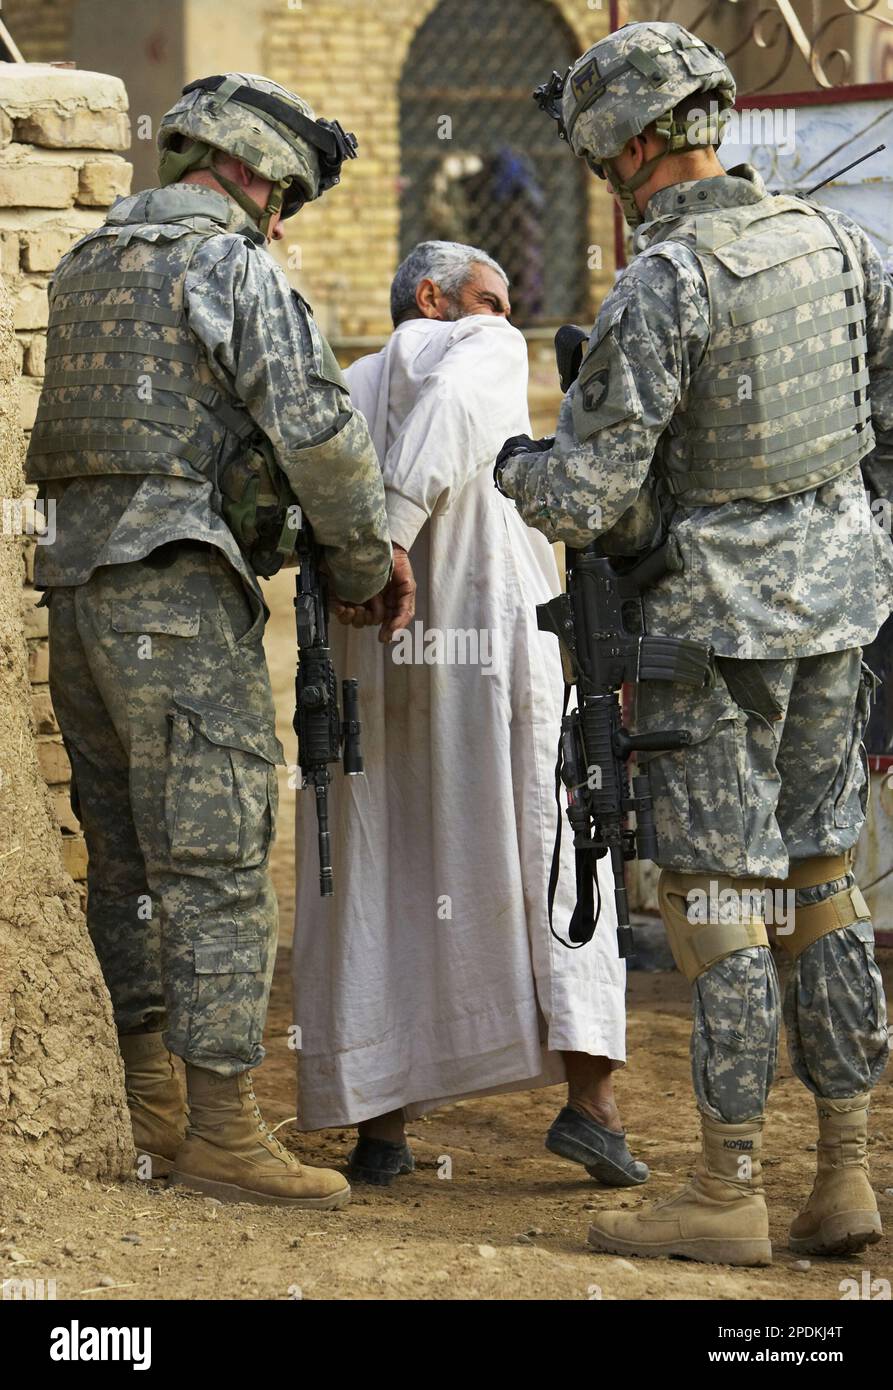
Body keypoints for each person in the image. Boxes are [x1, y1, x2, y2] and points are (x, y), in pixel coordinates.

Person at [496, 21, 892, 1264]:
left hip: (711, 634)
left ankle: (724, 1193)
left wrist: (517, 466)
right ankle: (843, 1178)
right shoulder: (840, 243)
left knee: (721, 900)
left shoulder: (661, 285)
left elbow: (588, 496)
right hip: (837, 613)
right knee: (823, 884)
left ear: (629, 146)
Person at [25, 72, 404, 1209]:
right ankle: (225, 1132)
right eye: (281, 195)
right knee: (218, 863)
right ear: (252, 175)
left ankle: (149, 1106)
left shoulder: (91, 264)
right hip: (181, 598)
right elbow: (323, 439)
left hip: (79, 598)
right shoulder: (232, 267)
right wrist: (359, 564)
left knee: (129, 862)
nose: (279, 221)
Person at [293, 240, 643, 1189]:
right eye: (485, 296)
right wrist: (396, 534)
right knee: (551, 853)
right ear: (433, 296)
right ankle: (591, 1106)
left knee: (382, 873)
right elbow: (449, 418)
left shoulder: (352, 383)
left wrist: (368, 559)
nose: (502, 312)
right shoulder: (482, 347)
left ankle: (381, 1124)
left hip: (379, 662)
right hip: (490, 661)